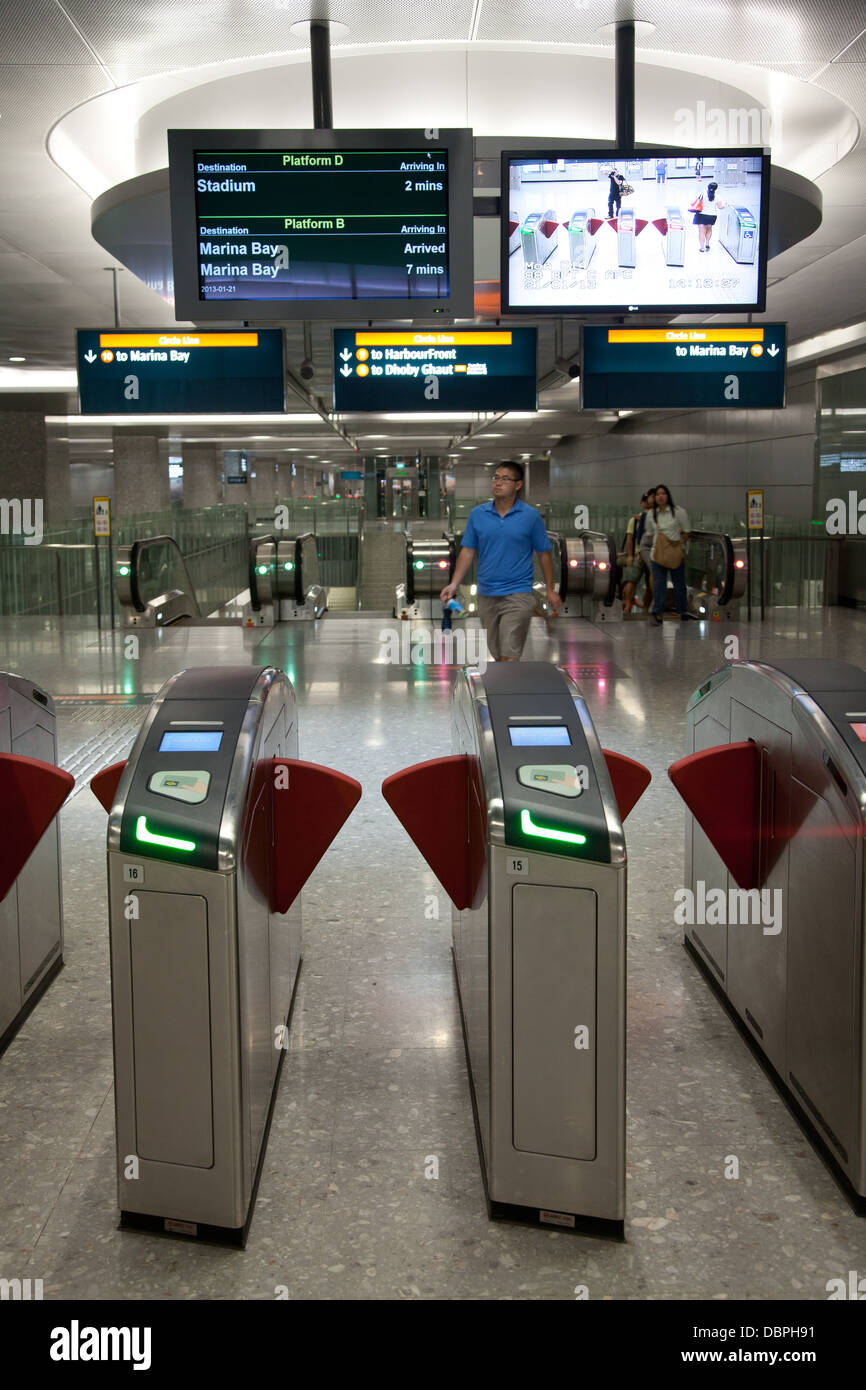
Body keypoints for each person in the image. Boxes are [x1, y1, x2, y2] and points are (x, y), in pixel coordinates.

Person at [440, 462, 560, 661]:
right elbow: (467, 551)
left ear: (518, 485)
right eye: (495, 477)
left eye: (505, 479)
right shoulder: (478, 514)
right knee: (498, 654)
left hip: (518, 593)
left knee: (509, 655)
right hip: (486, 594)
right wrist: (454, 584)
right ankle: (507, 688)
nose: (498, 483)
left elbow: (544, 554)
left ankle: (509, 690)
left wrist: (549, 589)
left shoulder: (531, 516)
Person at [643, 483, 695, 624]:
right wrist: (660, 544)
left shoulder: (678, 512)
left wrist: (679, 545)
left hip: (675, 553)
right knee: (659, 584)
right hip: (657, 554)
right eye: (658, 494)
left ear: (668, 496)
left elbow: (687, 530)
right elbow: (649, 534)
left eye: (663, 493)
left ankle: (682, 610)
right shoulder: (651, 515)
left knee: (679, 584)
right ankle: (658, 612)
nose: (660, 496)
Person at [691, 180, 726, 252]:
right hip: (712, 216)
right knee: (709, 229)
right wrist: (725, 203)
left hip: (701, 215)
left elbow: (695, 201)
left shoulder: (701, 193)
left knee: (701, 231)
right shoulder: (718, 197)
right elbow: (720, 207)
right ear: (716, 189)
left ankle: (702, 247)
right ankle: (707, 243)